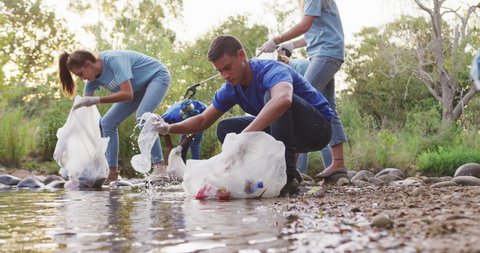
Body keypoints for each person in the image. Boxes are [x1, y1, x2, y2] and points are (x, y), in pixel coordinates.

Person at [154, 35, 333, 196]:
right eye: (220, 71)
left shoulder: (271, 69)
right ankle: (257, 174)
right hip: (287, 132)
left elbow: (283, 100)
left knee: (272, 99)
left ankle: (288, 177)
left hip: (317, 129)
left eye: (227, 68)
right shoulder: (231, 87)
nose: (225, 75)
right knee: (226, 128)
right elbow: (202, 120)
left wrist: (244, 136)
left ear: (241, 55)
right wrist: (168, 128)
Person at [261, 0, 348, 178]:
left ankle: (291, 166)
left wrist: (276, 40)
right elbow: (313, 32)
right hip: (323, 53)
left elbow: (305, 24)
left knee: (297, 100)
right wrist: (292, 45)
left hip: (326, 53)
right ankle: (338, 164)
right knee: (328, 107)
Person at [58, 49, 171, 183]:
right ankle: (112, 173)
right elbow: (86, 113)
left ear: (89, 64)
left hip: (156, 77)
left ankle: (160, 168)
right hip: (136, 90)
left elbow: (127, 94)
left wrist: (96, 100)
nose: (82, 78)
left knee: (143, 116)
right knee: (107, 123)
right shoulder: (92, 80)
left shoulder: (113, 60)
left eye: (81, 74)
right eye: (79, 76)